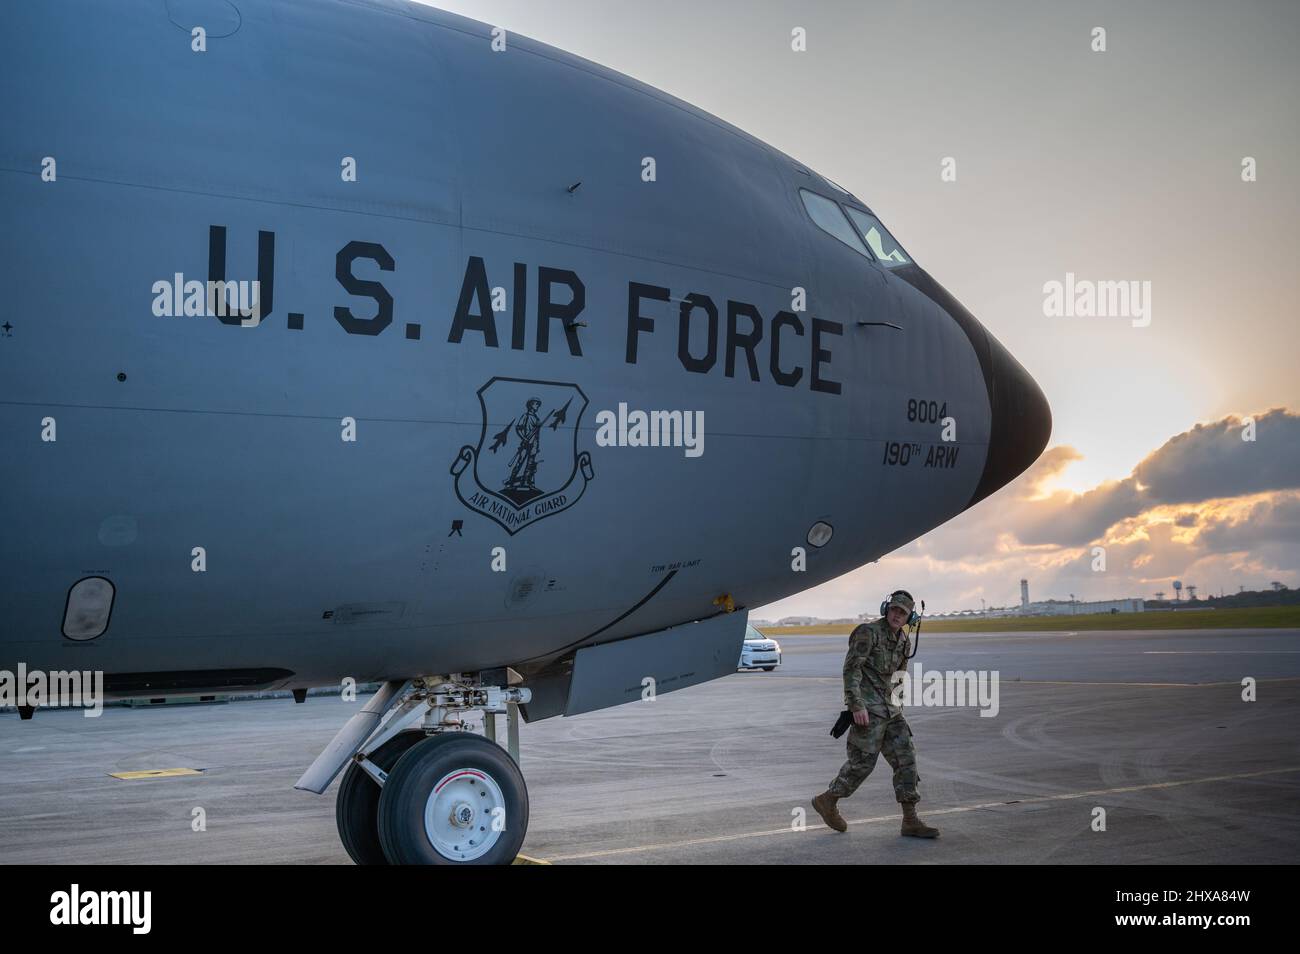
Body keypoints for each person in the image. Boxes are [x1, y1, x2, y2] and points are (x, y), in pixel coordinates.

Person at [811, 590, 939, 838]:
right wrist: (856, 705)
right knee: (862, 765)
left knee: (907, 760)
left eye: (903, 613)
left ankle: (910, 820)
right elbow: (851, 670)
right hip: (867, 711)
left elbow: (899, 678)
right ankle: (827, 800)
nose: (897, 615)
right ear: (886, 609)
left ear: (910, 618)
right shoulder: (867, 633)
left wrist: (898, 705)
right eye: (894, 610)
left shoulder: (904, 642)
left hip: (891, 712)